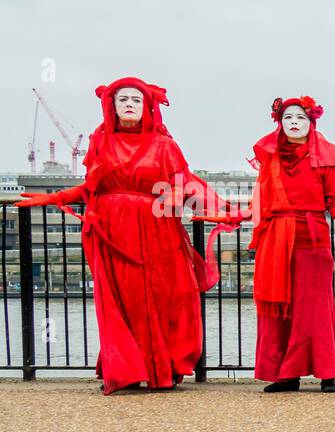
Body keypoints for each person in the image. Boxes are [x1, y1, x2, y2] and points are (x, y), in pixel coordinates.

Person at [17, 77, 231, 394]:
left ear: (147, 107)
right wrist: (52, 197)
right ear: (111, 106)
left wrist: (207, 206)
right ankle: (126, 369)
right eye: (122, 99)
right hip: (112, 233)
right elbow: (91, 188)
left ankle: (163, 367)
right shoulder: (100, 142)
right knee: (119, 300)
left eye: (136, 99)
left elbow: (181, 184)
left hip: (156, 232)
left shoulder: (165, 146)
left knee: (159, 298)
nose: (129, 104)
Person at [240, 96, 335, 393]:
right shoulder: (270, 158)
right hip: (275, 238)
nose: (294, 122)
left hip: (311, 237)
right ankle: (286, 375)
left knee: (315, 306)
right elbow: (259, 201)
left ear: (311, 123)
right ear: (280, 123)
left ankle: (327, 372)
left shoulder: (325, 158)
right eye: (288, 118)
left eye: (300, 117)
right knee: (279, 305)